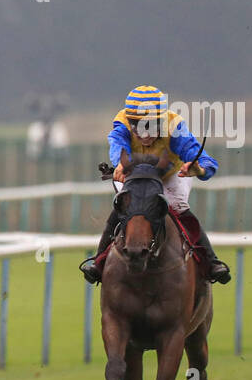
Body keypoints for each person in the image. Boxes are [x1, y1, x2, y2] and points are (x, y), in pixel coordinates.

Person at [79, 85, 230, 284]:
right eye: (137, 126)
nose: (143, 133)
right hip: (136, 173)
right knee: (123, 206)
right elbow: (118, 145)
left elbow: (206, 162)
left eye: (150, 125)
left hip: (169, 175)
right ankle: (99, 261)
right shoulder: (122, 123)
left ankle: (210, 262)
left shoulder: (174, 128)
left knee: (178, 207)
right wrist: (119, 164)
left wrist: (199, 170)